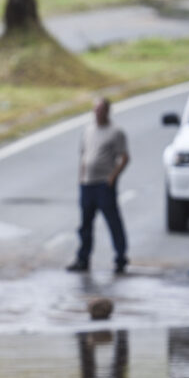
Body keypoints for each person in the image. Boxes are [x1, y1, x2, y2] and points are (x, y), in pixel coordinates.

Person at [67, 97, 130, 274]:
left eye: (101, 110)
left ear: (107, 111)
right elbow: (84, 155)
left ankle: (120, 257)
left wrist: (112, 177)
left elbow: (124, 158)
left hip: (104, 184)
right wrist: (81, 178)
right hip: (87, 184)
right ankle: (83, 258)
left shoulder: (116, 132)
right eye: (95, 110)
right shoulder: (88, 130)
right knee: (85, 224)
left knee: (113, 221)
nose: (97, 113)